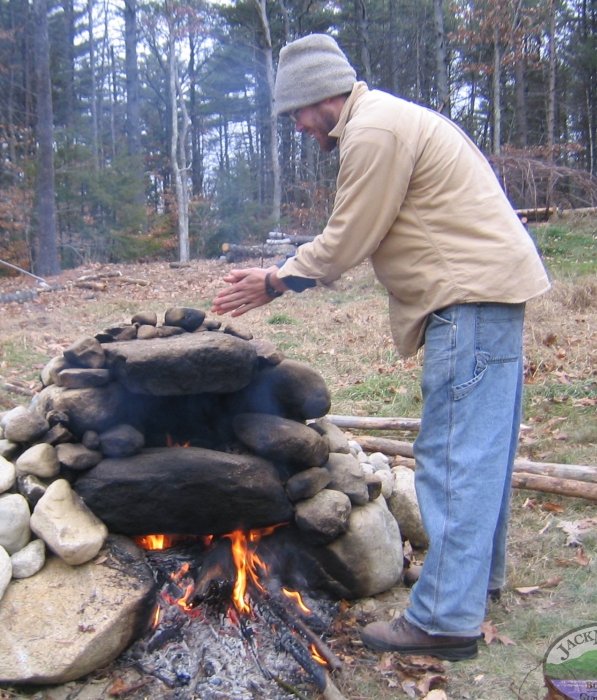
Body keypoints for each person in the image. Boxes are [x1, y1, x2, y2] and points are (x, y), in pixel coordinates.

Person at [211, 34, 551, 662]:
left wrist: (276, 279)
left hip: (467, 302)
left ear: (320, 96)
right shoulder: (386, 119)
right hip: (487, 296)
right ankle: (473, 584)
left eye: (296, 113)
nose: (298, 128)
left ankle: (445, 619)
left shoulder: (373, 131)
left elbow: (348, 237)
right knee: (482, 455)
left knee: (453, 458)